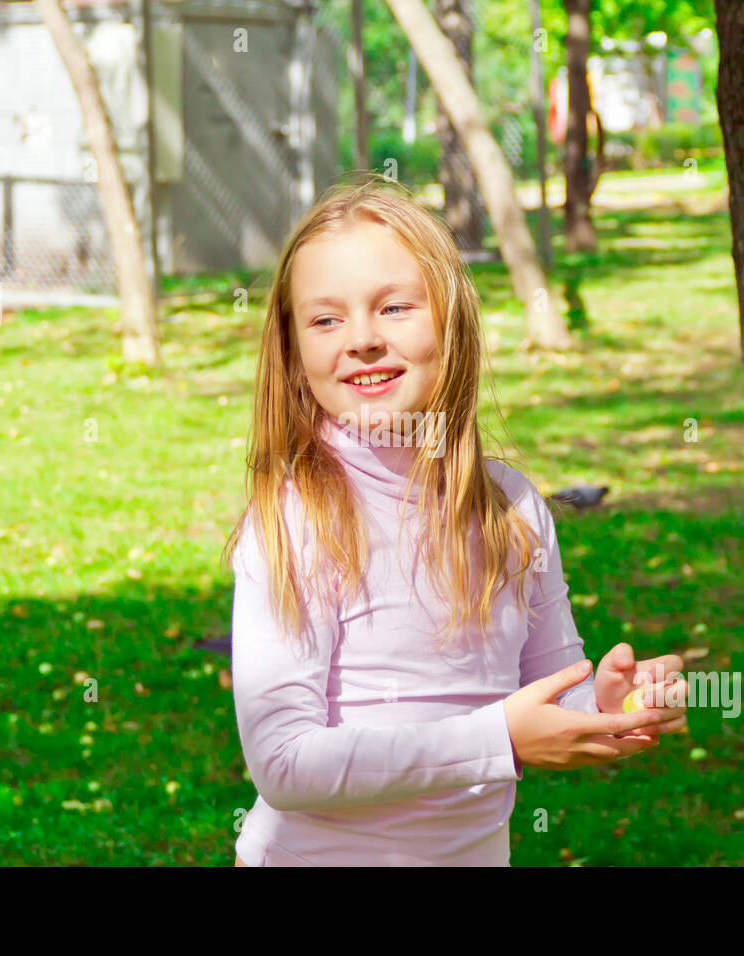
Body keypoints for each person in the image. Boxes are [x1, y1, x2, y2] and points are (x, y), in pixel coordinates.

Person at [223, 175, 688, 866]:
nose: (361, 339)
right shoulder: (294, 520)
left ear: (452, 318)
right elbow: (285, 765)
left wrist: (609, 702)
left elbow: (551, 690)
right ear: (293, 355)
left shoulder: (510, 508)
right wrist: (497, 740)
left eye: (395, 307)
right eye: (325, 319)